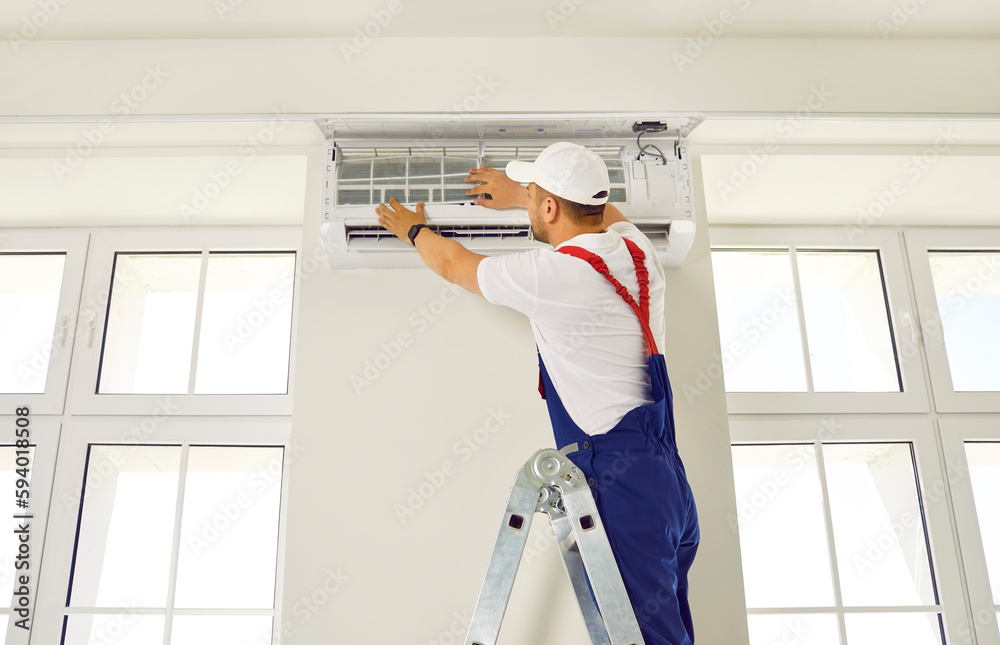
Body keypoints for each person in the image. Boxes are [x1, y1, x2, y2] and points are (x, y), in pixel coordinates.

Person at [375, 141, 700, 645]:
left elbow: (454, 265)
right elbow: (602, 209)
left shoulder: (553, 274)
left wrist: (413, 229)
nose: (528, 203)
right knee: (664, 633)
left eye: (535, 197)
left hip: (621, 489)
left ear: (550, 207)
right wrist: (525, 196)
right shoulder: (638, 251)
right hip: (667, 483)